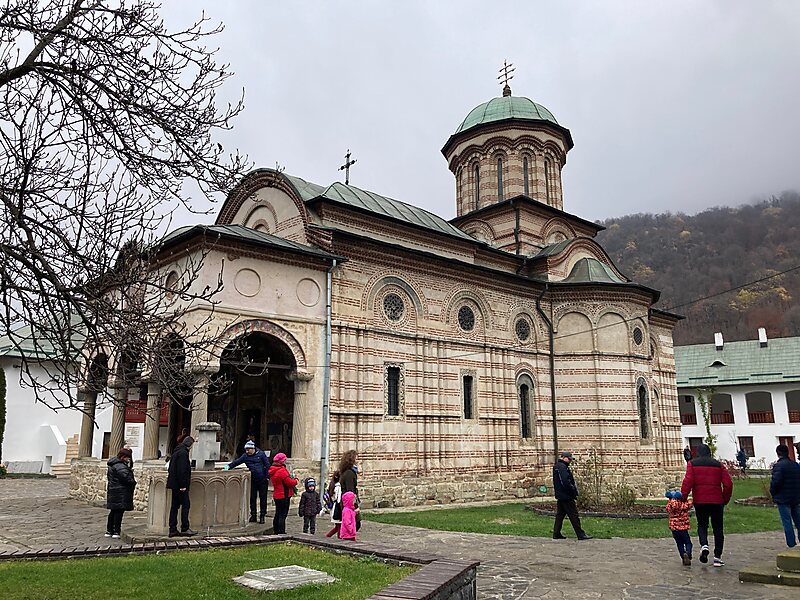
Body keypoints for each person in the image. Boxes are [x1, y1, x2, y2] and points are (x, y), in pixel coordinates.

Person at [681, 443, 732, 567]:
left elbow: (688, 481)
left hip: (700, 500)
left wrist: (683, 497)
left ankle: (704, 545)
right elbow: (728, 484)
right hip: (716, 501)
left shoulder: (692, 464)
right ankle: (717, 557)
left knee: (702, 525)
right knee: (718, 528)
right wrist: (725, 499)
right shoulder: (718, 465)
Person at [224, 439, 271, 524]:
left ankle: (262, 515)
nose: (247, 451)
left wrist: (267, 476)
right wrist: (227, 467)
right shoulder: (245, 456)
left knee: (263, 498)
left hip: (262, 480)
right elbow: (236, 462)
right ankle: (253, 515)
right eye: (246, 449)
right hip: (252, 480)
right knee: (252, 498)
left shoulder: (261, 454)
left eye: (248, 449)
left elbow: (267, 465)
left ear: (253, 449)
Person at [552, 451, 592, 540]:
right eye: (569, 459)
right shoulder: (562, 467)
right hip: (566, 495)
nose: (570, 461)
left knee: (560, 515)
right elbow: (565, 482)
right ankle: (580, 534)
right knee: (574, 515)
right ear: (565, 458)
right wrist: (572, 490)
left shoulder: (557, 466)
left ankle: (556, 533)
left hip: (560, 495)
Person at [769, 444, 800, 547]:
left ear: (778, 453)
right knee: (798, 520)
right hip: (796, 497)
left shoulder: (778, 466)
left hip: (783, 498)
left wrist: (773, 493)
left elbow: (776, 482)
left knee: (787, 521)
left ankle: (791, 543)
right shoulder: (795, 465)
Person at [167, 435, 196, 537]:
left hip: (174, 484)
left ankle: (172, 529)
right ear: (190, 445)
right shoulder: (183, 453)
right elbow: (182, 470)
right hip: (180, 485)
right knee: (186, 505)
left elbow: (172, 468)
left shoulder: (177, 451)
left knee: (174, 507)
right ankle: (185, 527)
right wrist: (183, 485)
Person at [105, 447, 136, 539]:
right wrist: (133, 481)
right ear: (124, 457)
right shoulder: (120, 466)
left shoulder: (113, 464)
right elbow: (126, 478)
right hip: (121, 492)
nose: (129, 459)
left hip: (114, 490)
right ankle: (116, 531)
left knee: (113, 511)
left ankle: (109, 530)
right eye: (128, 457)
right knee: (118, 512)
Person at [268, 452, 297, 534]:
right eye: (285, 459)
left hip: (277, 494)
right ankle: (281, 532)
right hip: (284, 495)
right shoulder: (281, 471)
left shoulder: (273, 469)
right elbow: (289, 483)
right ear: (281, 461)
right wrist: (295, 480)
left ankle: (276, 530)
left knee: (277, 513)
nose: (286, 461)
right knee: (282, 515)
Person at [665, 490, 693, 566]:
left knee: (679, 543)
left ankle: (683, 555)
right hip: (683, 528)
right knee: (688, 542)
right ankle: (688, 553)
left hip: (674, 529)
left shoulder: (669, 506)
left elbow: (667, 509)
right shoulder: (683, 505)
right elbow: (690, 504)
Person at [325, 470, 343, 538]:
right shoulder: (338, 487)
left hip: (333, 507)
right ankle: (339, 539)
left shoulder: (332, 485)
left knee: (337, 526)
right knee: (339, 526)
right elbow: (338, 499)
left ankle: (328, 536)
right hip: (337, 508)